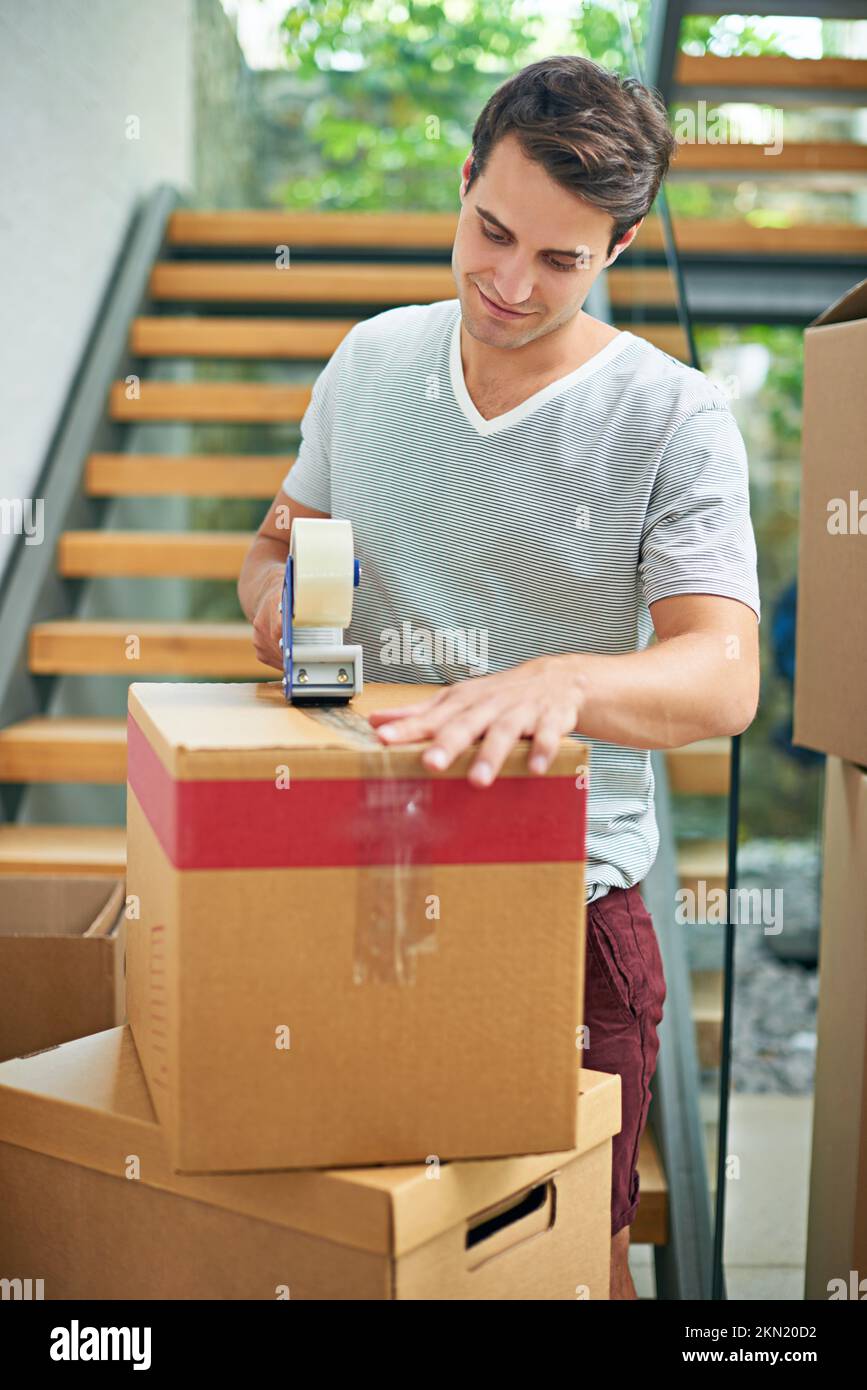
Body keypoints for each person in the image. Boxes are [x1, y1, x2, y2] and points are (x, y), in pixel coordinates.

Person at [238, 55, 761, 1299]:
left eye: (561, 261)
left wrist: (564, 683)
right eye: (491, 232)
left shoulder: (673, 418)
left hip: (561, 916)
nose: (509, 284)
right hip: (351, 873)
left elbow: (725, 675)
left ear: (620, 247)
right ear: (467, 182)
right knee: (365, 1249)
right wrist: (277, 608)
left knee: (563, 1266)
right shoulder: (368, 362)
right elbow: (272, 543)